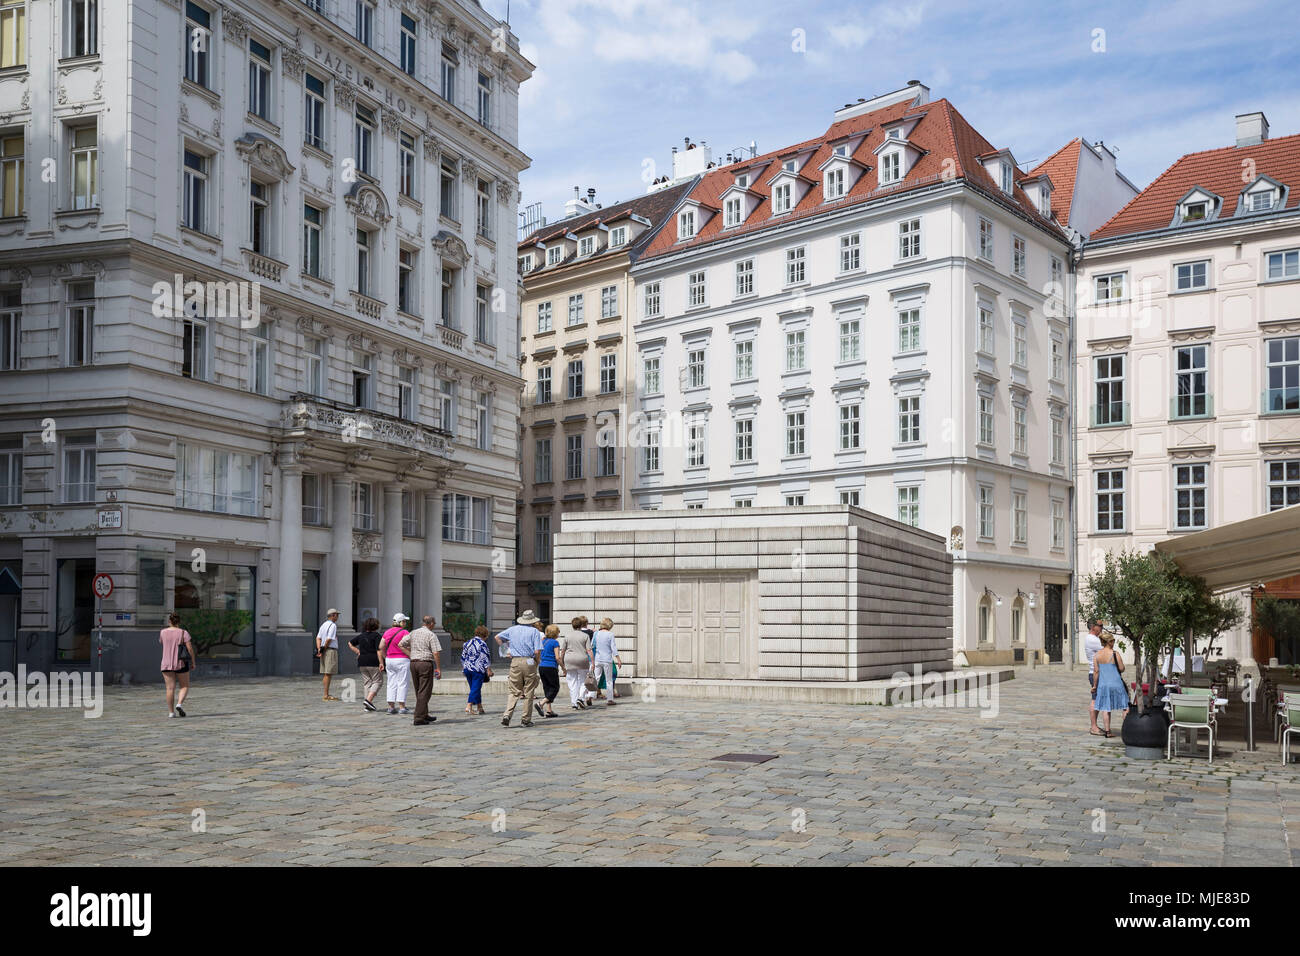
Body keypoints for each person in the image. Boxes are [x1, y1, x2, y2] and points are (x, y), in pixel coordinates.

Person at [497, 610, 543, 727]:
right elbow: (537, 651)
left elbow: (498, 637)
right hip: (529, 660)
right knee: (529, 691)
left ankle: (507, 715)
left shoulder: (513, 629)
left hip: (516, 661)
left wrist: (506, 650)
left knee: (514, 690)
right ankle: (525, 719)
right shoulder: (534, 632)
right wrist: (537, 662)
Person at [401, 615, 443, 726]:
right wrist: (438, 667)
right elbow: (436, 652)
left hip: (414, 663)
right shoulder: (431, 635)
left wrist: (411, 654)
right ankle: (419, 718)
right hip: (425, 663)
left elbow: (401, 644)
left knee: (419, 689)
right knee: (425, 691)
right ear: (431, 623)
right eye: (434, 623)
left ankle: (424, 714)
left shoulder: (413, 632)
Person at [160, 612, 197, 718]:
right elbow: (189, 648)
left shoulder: (162, 632)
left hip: (166, 663)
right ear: (179, 622)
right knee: (184, 686)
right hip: (181, 663)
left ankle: (171, 713)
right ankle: (179, 704)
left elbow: (162, 643)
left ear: (169, 621)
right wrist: (193, 662)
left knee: (170, 688)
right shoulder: (183, 633)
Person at [1092, 633, 1130, 737]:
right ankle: (1127, 730)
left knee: (1105, 708)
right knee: (1125, 706)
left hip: (1103, 685)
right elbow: (1122, 668)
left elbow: (1096, 672)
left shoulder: (1097, 655)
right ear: (1110, 642)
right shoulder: (1115, 654)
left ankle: (1108, 732)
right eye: (1113, 640)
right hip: (1116, 683)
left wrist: (1094, 686)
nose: (1114, 642)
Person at [349, 617, 384, 712]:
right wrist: (381, 662)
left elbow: (350, 643)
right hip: (373, 661)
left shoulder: (361, 635)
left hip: (362, 662)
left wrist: (357, 651)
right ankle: (368, 700)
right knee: (378, 681)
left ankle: (367, 705)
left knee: (367, 682)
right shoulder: (377, 636)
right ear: (376, 626)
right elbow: (379, 650)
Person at [379, 613, 412, 715]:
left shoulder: (387, 632)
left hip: (390, 660)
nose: (405, 623)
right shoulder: (405, 632)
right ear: (400, 622)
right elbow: (410, 645)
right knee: (402, 682)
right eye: (404, 621)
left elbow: (381, 647)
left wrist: (386, 657)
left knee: (391, 683)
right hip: (402, 659)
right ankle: (402, 707)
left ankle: (391, 707)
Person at [559, 619, 593, 710]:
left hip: (569, 660)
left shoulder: (567, 636)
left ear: (572, 625)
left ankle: (574, 703)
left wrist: (561, 663)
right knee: (583, 681)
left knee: (572, 682)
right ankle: (580, 698)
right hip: (582, 659)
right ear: (581, 625)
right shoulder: (585, 636)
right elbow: (589, 650)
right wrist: (593, 662)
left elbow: (563, 651)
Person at [461, 625, 492, 715]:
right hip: (477, 669)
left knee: (474, 688)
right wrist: (488, 670)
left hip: (467, 668)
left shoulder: (467, 642)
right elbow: (485, 658)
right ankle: (469, 706)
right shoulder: (483, 644)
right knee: (475, 688)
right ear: (485, 635)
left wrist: (464, 667)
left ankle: (480, 707)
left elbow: (463, 657)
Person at [592, 618, 622, 707]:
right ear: (609, 625)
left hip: (598, 659)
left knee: (596, 678)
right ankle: (610, 699)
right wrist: (618, 659)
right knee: (609, 680)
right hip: (607, 659)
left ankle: (590, 696)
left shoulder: (596, 633)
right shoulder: (610, 634)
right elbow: (613, 648)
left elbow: (592, 645)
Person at [535, 624, 561, 719]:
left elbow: (537, 653)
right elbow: (557, 657)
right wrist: (563, 667)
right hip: (551, 667)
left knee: (547, 688)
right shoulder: (555, 642)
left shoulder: (542, 641)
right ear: (555, 633)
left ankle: (549, 710)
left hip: (542, 667)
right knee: (555, 688)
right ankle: (540, 703)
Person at [316, 608, 341, 701]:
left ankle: (326, 693)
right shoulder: (333, 625)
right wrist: (324, 648)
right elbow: (329, 639)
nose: (337, 617)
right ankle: (326, 695)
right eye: (337, 615)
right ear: (333, 615)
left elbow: (318, 638)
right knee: (328, 673)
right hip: (330, 650)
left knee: (326, 673)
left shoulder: (323, 625)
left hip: (324, 650)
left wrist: (319, 649)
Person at [1084, 619, 1104, 734]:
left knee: (1097, 699)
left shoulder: (1094, 639)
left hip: (1098, 672)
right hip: (1096, 673)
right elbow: (1108, 649)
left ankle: (1095, 725)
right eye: (1100, 626)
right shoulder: (1093, 640)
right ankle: (1093, 726)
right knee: (1095, 699)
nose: (1101, 628)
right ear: (1093, 627)